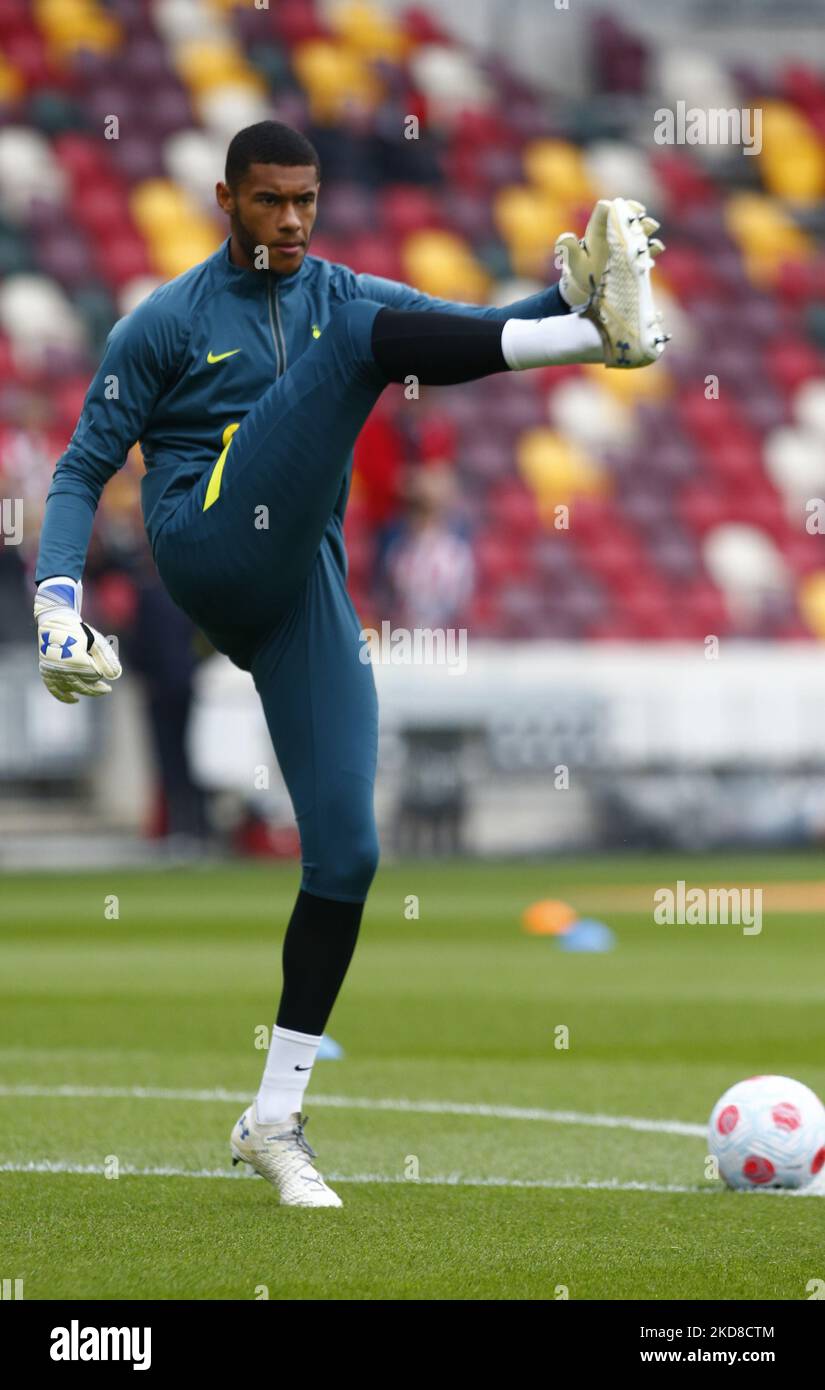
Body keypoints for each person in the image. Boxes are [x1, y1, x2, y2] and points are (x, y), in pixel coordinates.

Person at [33, 121, 667, 1207]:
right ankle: (599, 340)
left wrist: (559, 300)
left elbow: (462, 335)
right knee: (364, 340)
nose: (291, 222)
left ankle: (272, 1119)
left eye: (306, 201)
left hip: (300, 588)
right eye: (269, 201)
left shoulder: (338, 294)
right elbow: (83, 467)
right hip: (208, 540)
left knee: (349, 854)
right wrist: (57, 601)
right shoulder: (164, 323)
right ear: (223, 197)